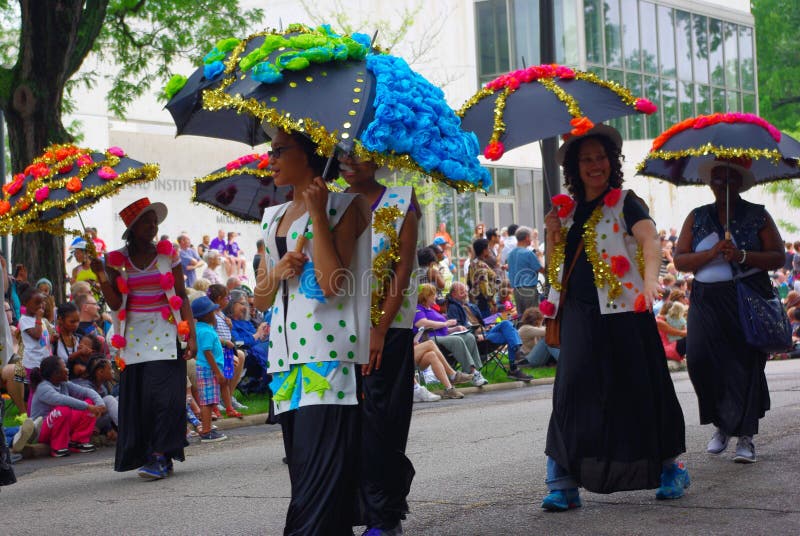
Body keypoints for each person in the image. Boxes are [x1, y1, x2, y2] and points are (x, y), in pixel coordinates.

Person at [540, 123, 687, 509]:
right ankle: (562, 481)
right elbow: (554, 271)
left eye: (600, 157)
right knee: (570, 391)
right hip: (577, 315)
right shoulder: (566, 212)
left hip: (626, 313)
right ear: (575, 167)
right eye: (586, 159)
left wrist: (651, 281)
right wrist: (552, 235)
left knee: (639, 388)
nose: (594, 165)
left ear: (611, 162)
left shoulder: (626, 201)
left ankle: (671, 466)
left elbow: (649, 239)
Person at [253, 128, 371, 535]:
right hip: (284, 362)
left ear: (308, 155)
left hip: (327, 357)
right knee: (303, 473)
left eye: (279, 151)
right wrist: (279, 271)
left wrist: (319, 215)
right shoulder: (271, 219)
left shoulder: (348, 207)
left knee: (319, 479)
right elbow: (261, 300)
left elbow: (330, 283)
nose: (271, 159)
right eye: (270, 151)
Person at [673, 156, 784, 464]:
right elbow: (680, 260)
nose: (721, 185)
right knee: (699, 360)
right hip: (706, 299)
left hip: (744, 296)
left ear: (739, 182)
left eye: (728, 180)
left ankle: (745, 436)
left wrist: (742, 254)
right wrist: (711, 254)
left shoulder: (757, 215)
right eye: (716, 180)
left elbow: (777, 257)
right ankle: (722, 424)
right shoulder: (697, 216)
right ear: (709, 183)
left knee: (744, 365)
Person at [339, 151, 420, 534]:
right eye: (342, 157)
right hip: (340, 328)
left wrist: (379, 330)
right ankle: (357, 509)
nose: (349, 164)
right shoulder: (332, 201)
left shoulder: (401, 200)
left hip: (390, 330)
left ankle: (385, 515)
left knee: (382, 423)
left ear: (377, 158)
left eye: (358, 157)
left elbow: (403, 267)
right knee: (350, 423)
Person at [91, 197, 197, 480]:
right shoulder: (116, 260)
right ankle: (155, 453)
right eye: (146, 221)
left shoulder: (168, 254)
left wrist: (191, 335)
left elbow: (182, 296)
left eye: (154, 221)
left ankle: (161, 455)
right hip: (133, 337)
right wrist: (101, 273)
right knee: (143, 401)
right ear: (132, 227)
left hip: (167, 332)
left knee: (166, 398)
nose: (152, 226)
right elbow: (114, 304)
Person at [446, 282, 531, 381]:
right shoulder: (453, 308)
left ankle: (516, 353)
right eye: (462, 292)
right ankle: (514, 366)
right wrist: (475, 335)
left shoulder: (471, 306)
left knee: (506, 324)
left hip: (485, 332)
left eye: (465, 291)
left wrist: (487, 326)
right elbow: (459, 328)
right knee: (509, 335)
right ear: (453, 294)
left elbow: (481, 322)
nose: (465, 294)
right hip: (475, 339)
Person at [26, 355, 106, 457]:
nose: (68, 370)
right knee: (64, 408)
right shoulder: (43, 388)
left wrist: (100, 404)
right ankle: (57, 447)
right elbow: (62, 400)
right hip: (41, 431)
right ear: (55, 373)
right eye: (64, 367)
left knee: (90, 401)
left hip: (58, 425)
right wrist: (87, 407)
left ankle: (77, 442)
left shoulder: (64, 383)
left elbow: (86, 391)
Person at [415, 283, 489, 386]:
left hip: (442, 336)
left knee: (469, 337)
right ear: (427, 296)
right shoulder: (418, 309)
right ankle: (472, 373)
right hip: (428, 338)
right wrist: (445, 323)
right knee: (457, 340)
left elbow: (443, 329)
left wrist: (455, 328)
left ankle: (473, 371)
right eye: (434, 294)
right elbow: (422, 323)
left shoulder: (431, 309)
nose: (436, 296)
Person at [190, 296, 229, 442]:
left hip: (207, 368)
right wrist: (217, 372)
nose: (215, 314)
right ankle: (206, 431)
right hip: (209, 369)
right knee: (207, 401)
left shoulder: (202, 328)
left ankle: (208, 427)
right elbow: (207, 352)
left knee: (210, 400)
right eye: (213, 312)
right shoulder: (206, 331)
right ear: (207, 315)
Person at [507, 226, 543, 313]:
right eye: (530, 237)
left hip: (516, 290)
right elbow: (541, 269)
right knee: (533, 318)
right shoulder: (528, 253)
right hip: (529, 290)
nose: (531, 239)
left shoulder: (511, 254)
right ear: (527, 237)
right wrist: (540, 257)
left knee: (522, 318)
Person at [467, 238, 498, 318]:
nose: (489, 251)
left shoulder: (473, 264)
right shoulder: (481, 266)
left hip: (475, 301)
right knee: (487, 325)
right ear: (484, 250)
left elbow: (468, 282)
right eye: (488, 248)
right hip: (484, 303)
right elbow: (484, 287)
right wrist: (493, 303)